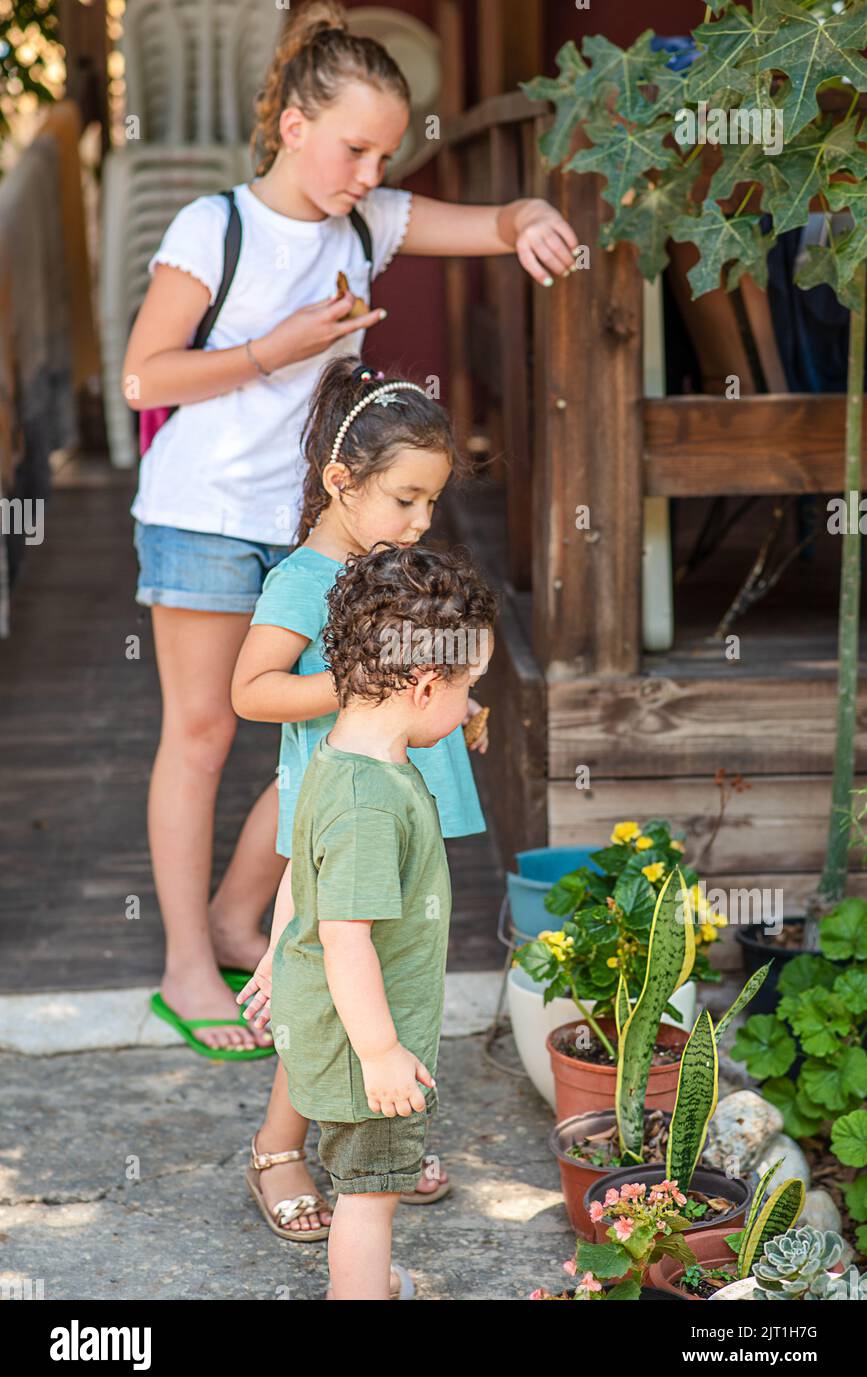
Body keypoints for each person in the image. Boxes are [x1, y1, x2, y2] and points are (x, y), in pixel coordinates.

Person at [123, 0, 579, 1058]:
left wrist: (526, 220)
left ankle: (243, 918)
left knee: (325, 726)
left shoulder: (368, 222)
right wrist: (276, 349)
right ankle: (187, 960)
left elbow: (491, 225)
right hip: (198, 514)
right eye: (354, 148)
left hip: (313, 531)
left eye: (386, 153)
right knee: (200, 735)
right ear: (291, 125)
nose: (372, 173)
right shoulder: (214, 227)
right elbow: (145, 371)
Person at [232, 355, 489, 1236]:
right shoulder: (304, 581)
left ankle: (377, 1141)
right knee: (324, 991)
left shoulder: (392, 570)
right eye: (404, 499)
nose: (420, 521)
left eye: (431, 502)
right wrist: (364, 684)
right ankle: (278, 1148)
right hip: (340, 814)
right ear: (341, 482)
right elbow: (252, 691)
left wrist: (462, 703)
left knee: (396, 976)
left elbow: (429, 667)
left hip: (401, 799)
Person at [268, 541, 497, 1298]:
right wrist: (381, 1054)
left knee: (363, 1182)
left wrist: (276, 953)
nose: (471, 707)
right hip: (364, 1040)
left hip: (334, 1025)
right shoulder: (370, 805)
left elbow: (304, 878)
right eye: (467, 688)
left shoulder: (337, 758)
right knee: (369, 1195)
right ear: (426, 683)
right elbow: (345, 935)